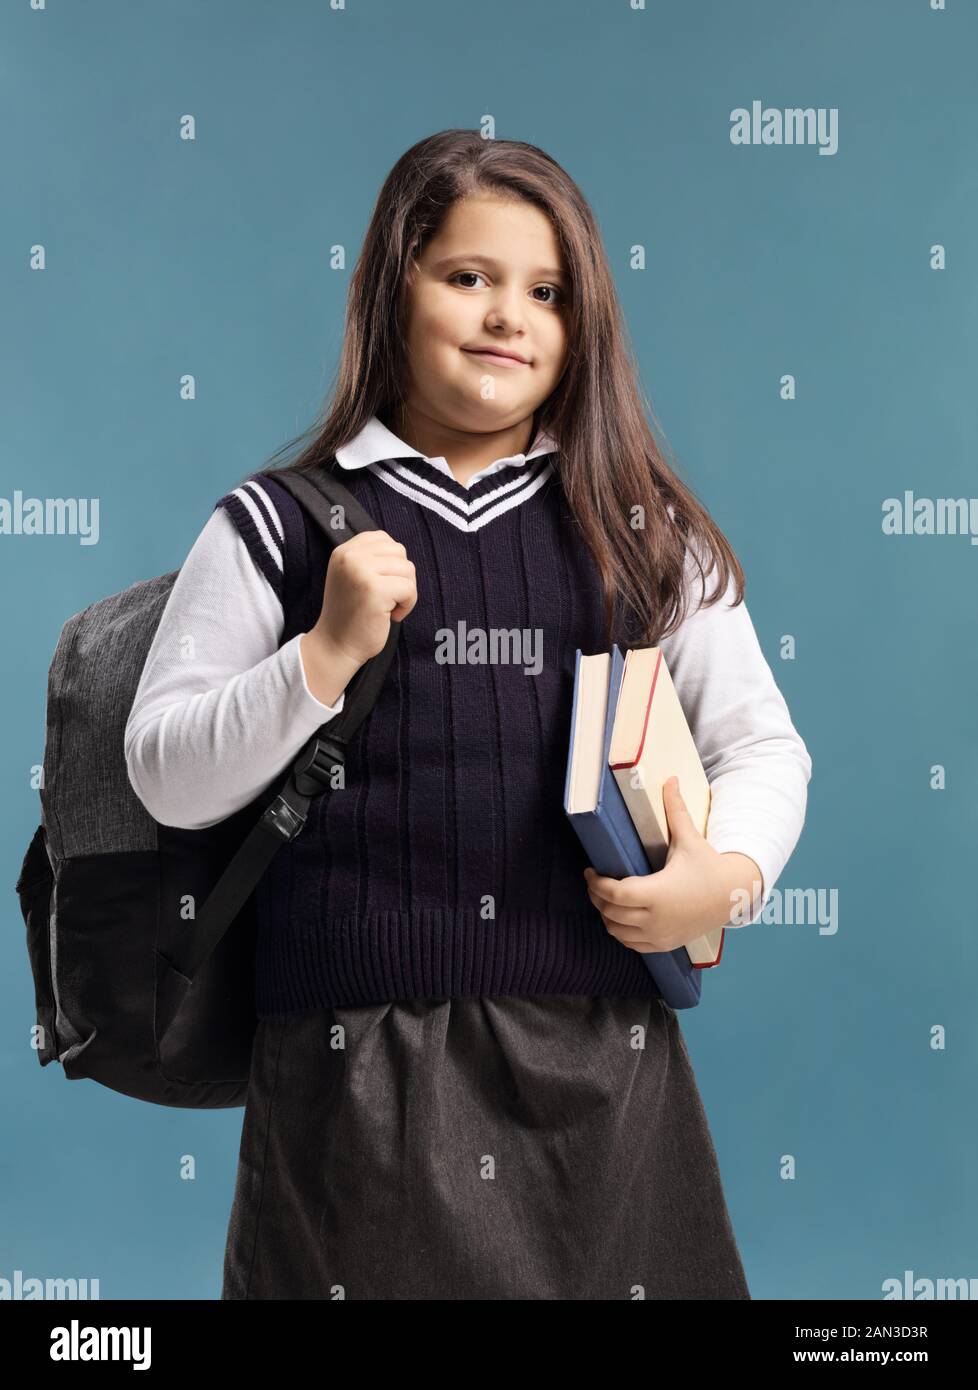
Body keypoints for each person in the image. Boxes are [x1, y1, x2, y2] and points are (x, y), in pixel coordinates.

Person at [124, 129, 812, 1300]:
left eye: (546, 292)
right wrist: (322, 655)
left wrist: (728, 876)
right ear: (392, 284)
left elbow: (760, 744)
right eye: (469, 277)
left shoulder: (639, 528)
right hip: (356, 1070)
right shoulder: (277, 526)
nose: (510, 316)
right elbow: (161, 768)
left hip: (601, 1062)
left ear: (582, 324)